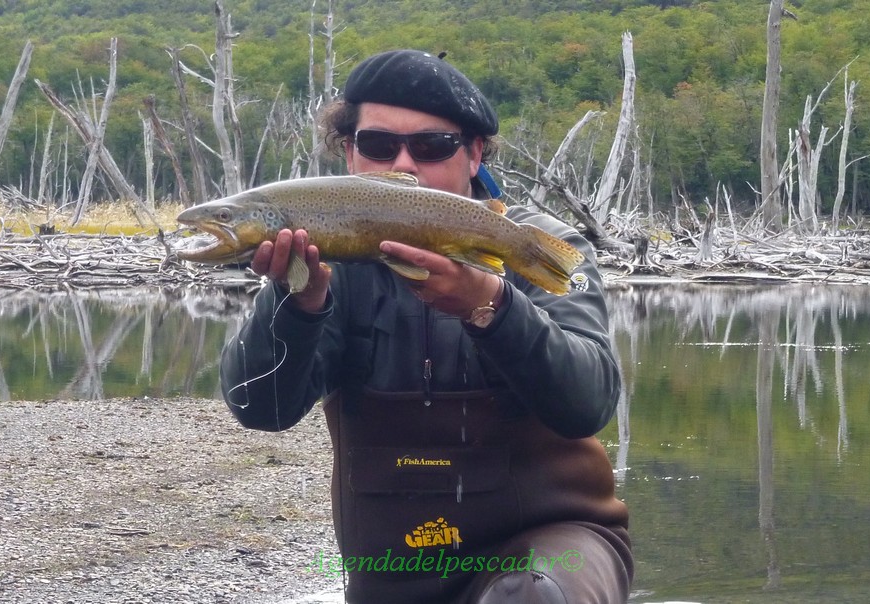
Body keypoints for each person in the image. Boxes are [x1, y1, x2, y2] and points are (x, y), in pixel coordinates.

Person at [220, 49, 633, 603]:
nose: (404, 166)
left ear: (475, 153)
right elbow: (260, 409)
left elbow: (588, 402)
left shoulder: (539, 246)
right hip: (392, 562)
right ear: (349, 153)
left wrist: (491, 306)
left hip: (553, 545)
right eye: (378, 145)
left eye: (433, 146)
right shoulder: (325, 261)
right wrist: (297, 305)